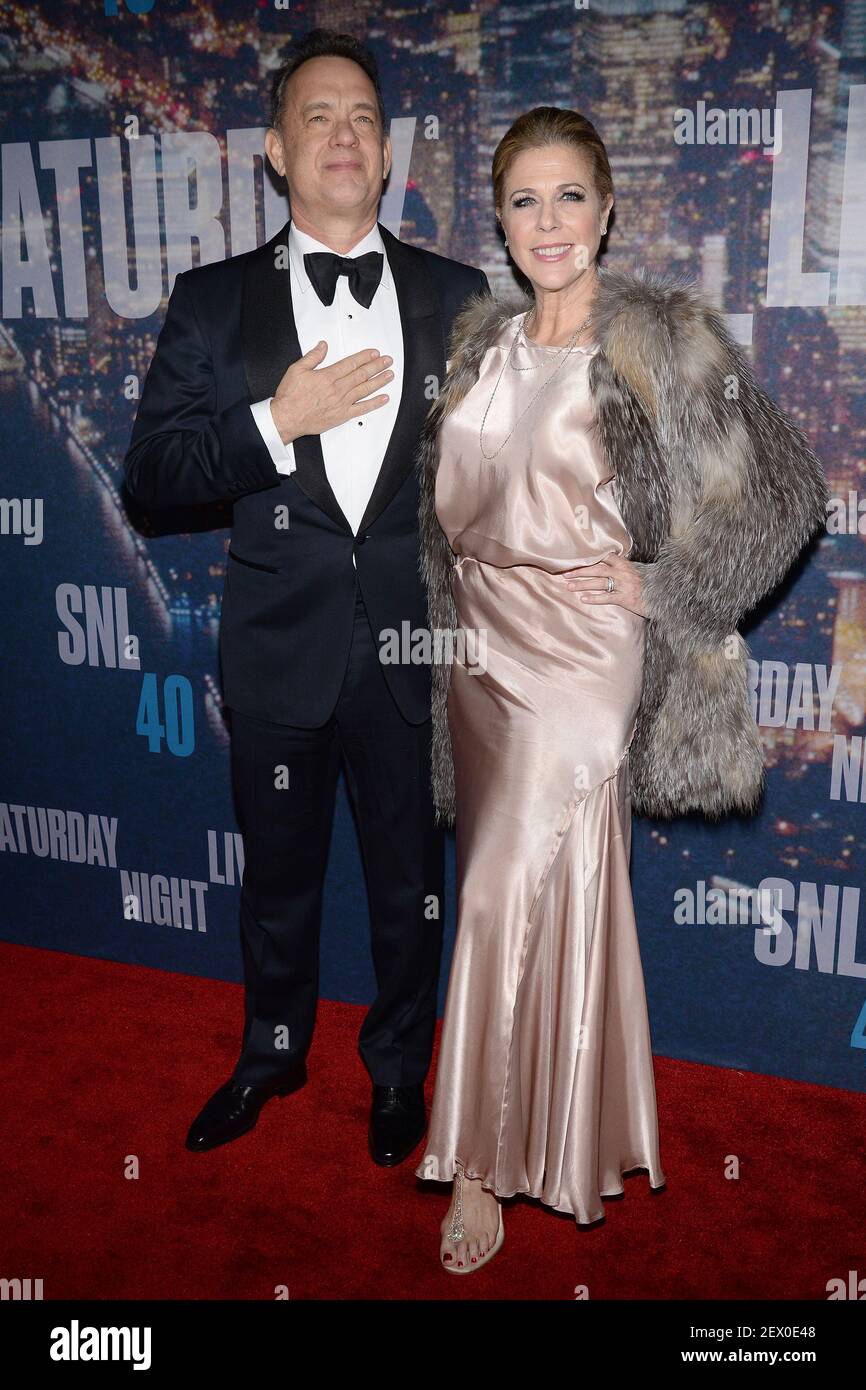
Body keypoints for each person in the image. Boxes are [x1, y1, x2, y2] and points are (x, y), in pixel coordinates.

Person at [414, 105, 829, 1271]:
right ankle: (546, 1127)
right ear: (499, 220)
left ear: (606, 210)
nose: (547, 222)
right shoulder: (477, 344)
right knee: (518, 890)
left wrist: (667, 585)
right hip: (481, 657)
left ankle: (482, 1165)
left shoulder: (659, 337)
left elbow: (784, 494)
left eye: (567, 197)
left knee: (503, 892)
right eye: (522, 200)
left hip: (582, 662)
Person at [123, 29, 488, 1165]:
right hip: (277, 655)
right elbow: (151, 480)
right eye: (318, 118)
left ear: (387, 156)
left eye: (363, 120)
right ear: (276, 154)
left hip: (407, 654)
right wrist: (277, 420)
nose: (342, 135)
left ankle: (396, 1074)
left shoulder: (459, 294)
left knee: (405, 890)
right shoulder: (211, 302)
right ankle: (270, 1053)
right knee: (275, 882)